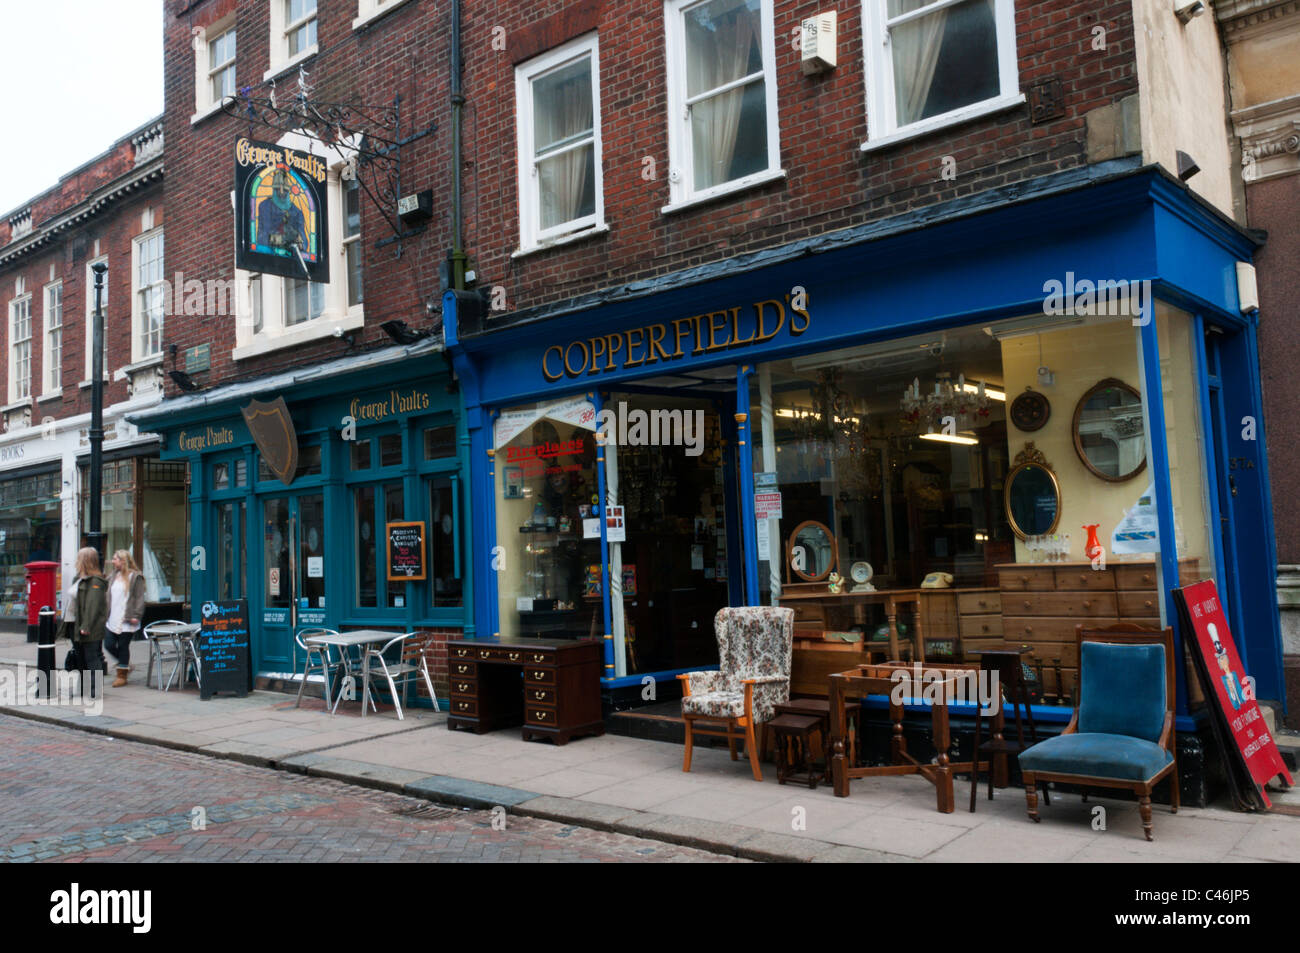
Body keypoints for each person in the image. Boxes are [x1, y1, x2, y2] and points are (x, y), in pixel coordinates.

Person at [105, 549, 146, 687]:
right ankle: (125, 665)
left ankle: (122, 675)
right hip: (112, 616)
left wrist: (136, 615)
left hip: (128, 617)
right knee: (108, 644)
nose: (113, 561)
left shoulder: (135, 577)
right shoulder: (113, 576)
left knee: (123, 646)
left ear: (123, 560)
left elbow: (140, 597)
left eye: (115, 558)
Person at [70, 547, 108, 699]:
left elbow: (92, 606)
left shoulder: (95, 582)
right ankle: (84, 688)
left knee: (92, 657)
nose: (76, 560)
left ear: (85, 560)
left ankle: (95, 689)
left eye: (79, 557)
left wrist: (86, 626)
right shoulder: (78, 579)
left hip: (89, 626)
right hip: (75, 623)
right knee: (81, 658)